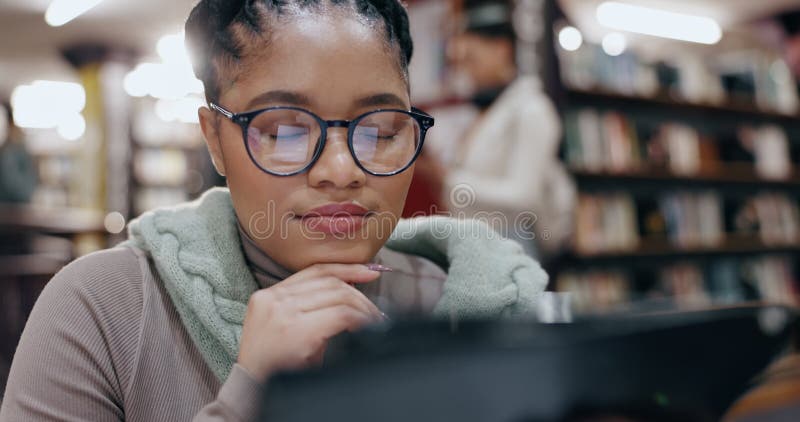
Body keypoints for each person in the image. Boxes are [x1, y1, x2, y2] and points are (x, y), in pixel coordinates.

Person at [0, 1, 547, 421]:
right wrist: (250, 395)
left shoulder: (476, 311)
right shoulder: (100, 312)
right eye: (285, 130)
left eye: (379, 130)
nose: (340, 169)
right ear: (215, 138)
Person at [444, 0, 575, 259]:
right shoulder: (491, 111)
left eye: (473, 58)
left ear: (502, 50)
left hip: (511, 249)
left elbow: (524, 196)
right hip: (480, 247)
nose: (467, 72)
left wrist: (449, 180)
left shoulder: (531, 109)